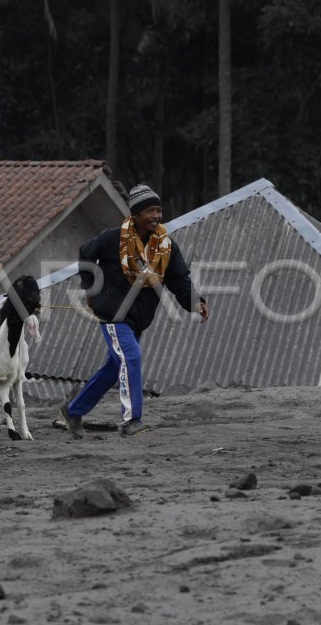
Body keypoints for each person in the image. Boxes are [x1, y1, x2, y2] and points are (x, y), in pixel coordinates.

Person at [58, 183, 209, 439]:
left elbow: (179, 280)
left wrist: (195, 302)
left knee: (115, 367)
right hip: (114, 315)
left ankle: (73, 410)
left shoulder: (166, 246)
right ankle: (132, 420)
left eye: (158, 211)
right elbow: (85, 254)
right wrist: (90, 292)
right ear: (136, 214)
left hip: (138, 318)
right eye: (150, 211)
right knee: (131, 357)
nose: (156, 216)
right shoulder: (112, 239)